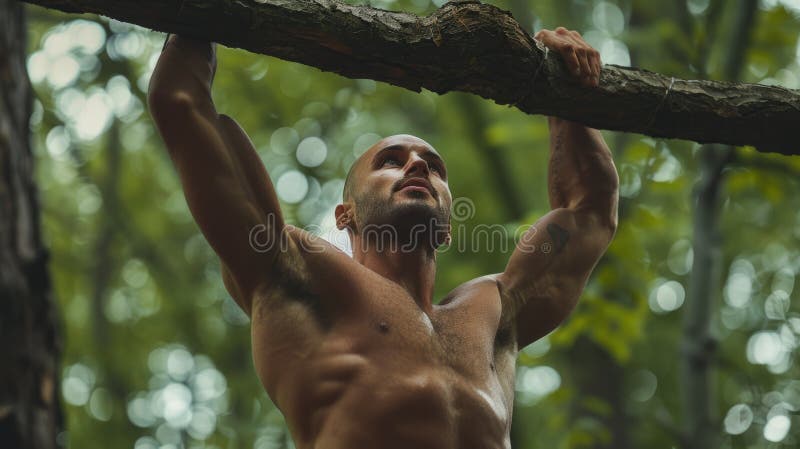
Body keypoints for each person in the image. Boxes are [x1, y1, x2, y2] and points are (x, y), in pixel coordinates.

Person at [148, 25, 618, 449]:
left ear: (449, 226)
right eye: (391, 160)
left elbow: (591, 210)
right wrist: (201, 17)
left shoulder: (492, 315)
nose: (417, 165)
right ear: (345, 214)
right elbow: (181, 103)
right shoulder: (294, 272)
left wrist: (563, 88)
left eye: (434, 167)